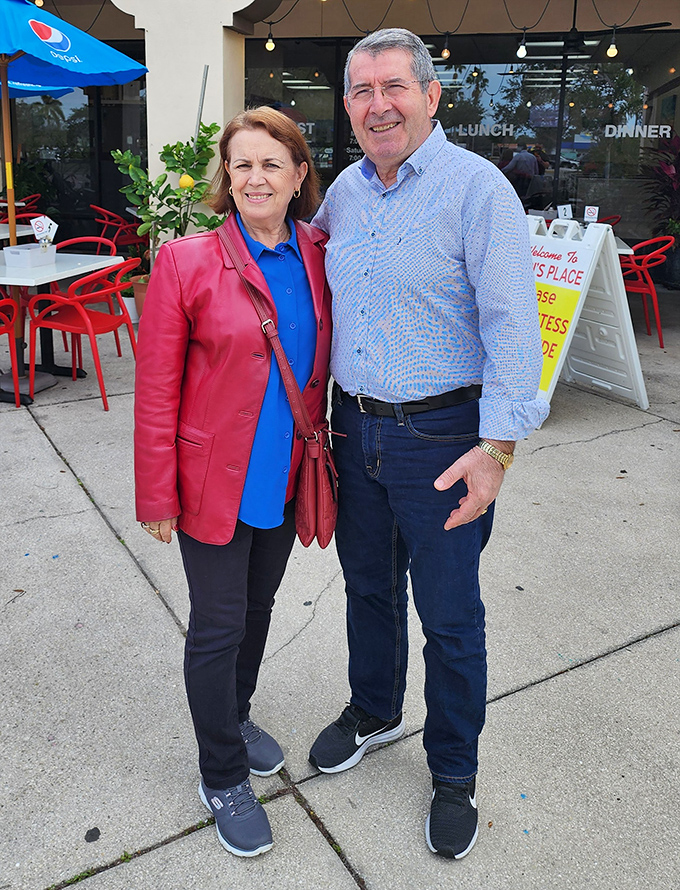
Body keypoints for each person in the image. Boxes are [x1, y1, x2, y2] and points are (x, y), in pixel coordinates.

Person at [308, 28, 549, 861]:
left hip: (444, 438)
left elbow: (516, 324)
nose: (379, 105)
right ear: (348, 106)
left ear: (431, 95)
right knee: (368, 590)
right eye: (363, 91)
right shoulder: (342, 192)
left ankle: (454, 769)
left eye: (394, 87)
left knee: (450, 620)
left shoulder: (476, 189)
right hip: (354, 428)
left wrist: (500, 449)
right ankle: (374, 710)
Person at [134, 107, 332, 858]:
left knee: (257, 608)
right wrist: (156, 492)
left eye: (271, 165)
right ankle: (220, 773)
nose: (255, 177)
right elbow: (155, 388)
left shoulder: (315, 252)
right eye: (242, 164)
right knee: (217, 626)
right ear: (227, 176)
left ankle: (237, 714)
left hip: (283, 479)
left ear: (298, 177)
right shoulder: (186, 261)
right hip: (210, 480)